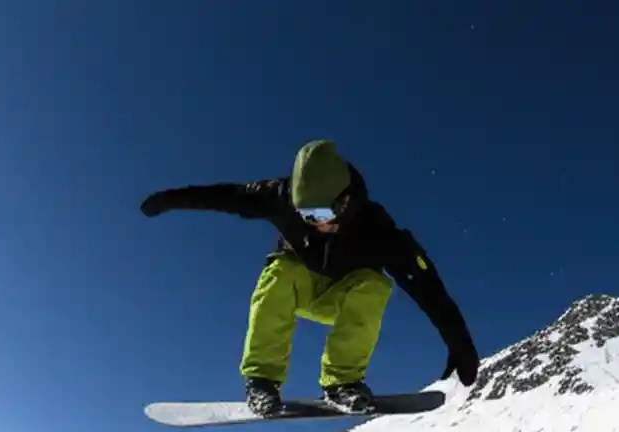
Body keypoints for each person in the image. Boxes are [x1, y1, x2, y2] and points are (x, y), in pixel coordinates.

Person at [140, 139, 479, 417]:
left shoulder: (376, 227)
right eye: (306, 214)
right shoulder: (277, 196)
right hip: (297, 290)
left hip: (342, 298)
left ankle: (342, 382)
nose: (314, 223)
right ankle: (262, 381)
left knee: (374, 285)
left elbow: (424, 283)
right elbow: (222, 196)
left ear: (345, 201)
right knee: (281, 270)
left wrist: (458, 340)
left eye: (322, 214)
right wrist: (168, 200)